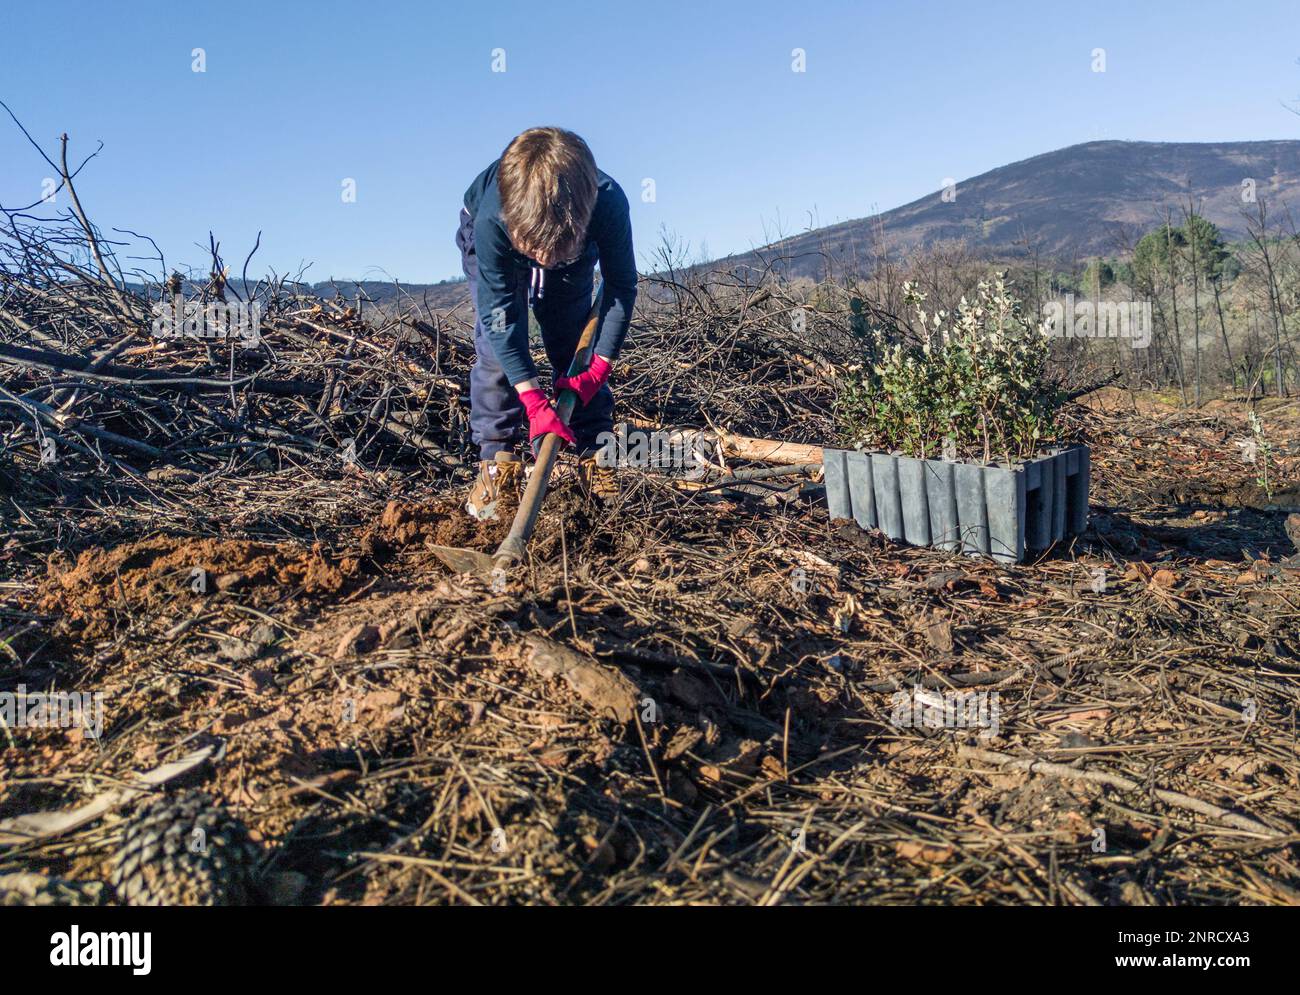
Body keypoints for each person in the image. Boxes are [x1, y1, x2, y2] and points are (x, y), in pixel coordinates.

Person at [455, 127, 637, 520]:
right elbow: (498, 314)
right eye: (533, 250)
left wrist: (598, 367)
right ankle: (496, 464)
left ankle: (593, 455)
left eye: (549, 251)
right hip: (498, 239)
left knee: (574, 338)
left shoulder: (607, 205)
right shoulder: (493, 219)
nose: (541, 259)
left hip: (572, 243)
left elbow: (620, 287)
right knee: (496, 350)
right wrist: (534, 401)